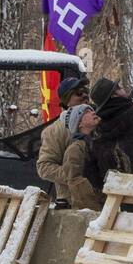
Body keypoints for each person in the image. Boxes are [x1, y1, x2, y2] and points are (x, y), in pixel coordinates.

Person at [36, 73, 91, 203]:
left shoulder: (97, 120)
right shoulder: (54, 131)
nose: (84, 95)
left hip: (102, 201)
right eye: (78, 93)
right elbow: (44, 167)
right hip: (73, 202)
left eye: (85, 91)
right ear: (67, 100)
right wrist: (77, 176)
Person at [59, 103, 103, 211]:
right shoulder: (76, 149)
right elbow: (75, 181)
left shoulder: (100, 141)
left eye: (92, 110)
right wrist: (97, 210)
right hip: (94, 211)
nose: (93, 112)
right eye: (86, 112)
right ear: (79, 124)